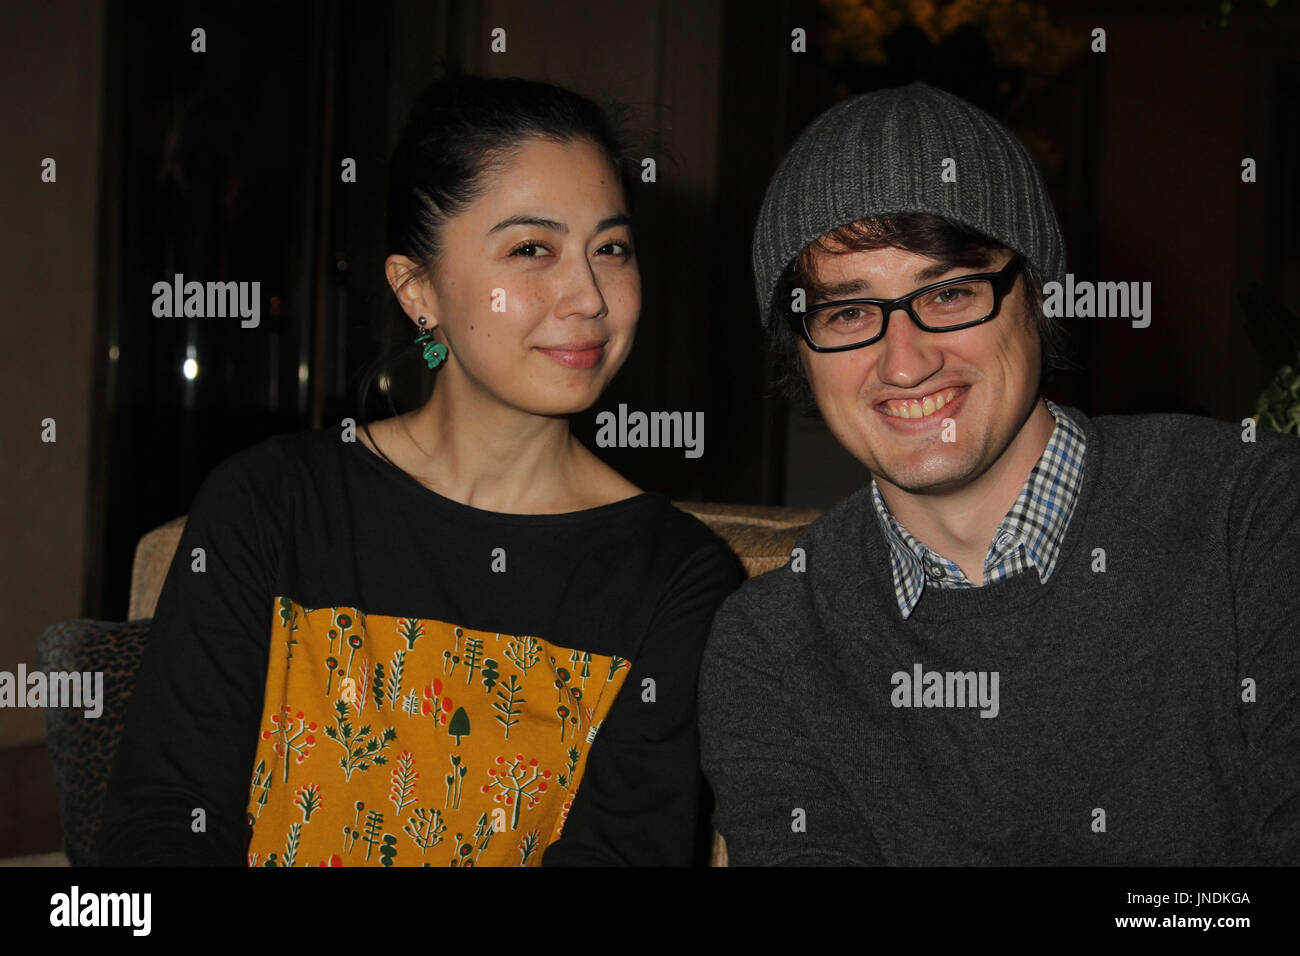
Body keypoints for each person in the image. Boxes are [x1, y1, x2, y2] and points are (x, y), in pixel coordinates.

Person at [100, 71, 742, 867]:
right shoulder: (274, 503)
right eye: (532, 248)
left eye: (610, 248)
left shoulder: (677, 579)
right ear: (417, 291)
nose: (588, 296)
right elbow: (160, 819)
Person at [698, 82, 1300, 866]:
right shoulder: (770, 644)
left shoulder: (1254, 516)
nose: (905, 361)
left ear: (1036, 296)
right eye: (847, 313)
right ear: (800, 351)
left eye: (950, 293)